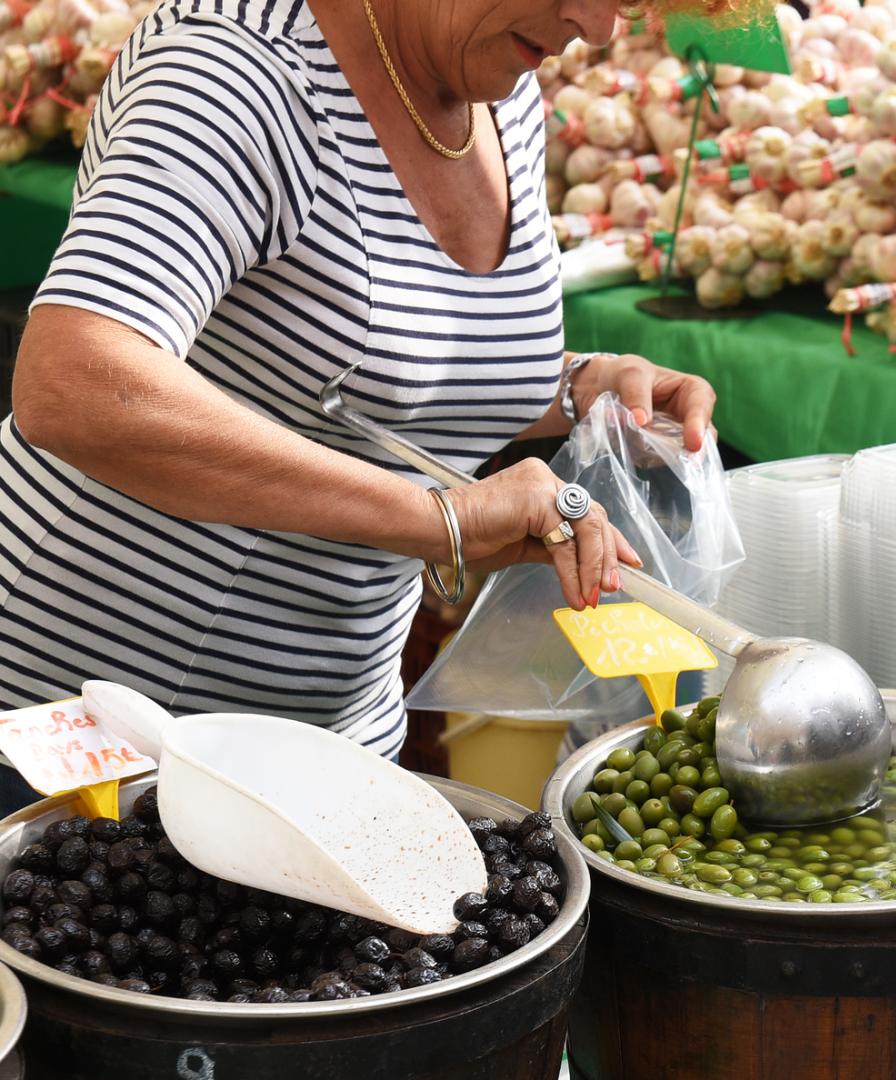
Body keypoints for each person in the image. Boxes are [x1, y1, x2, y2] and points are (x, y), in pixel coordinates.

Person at [0, 0, 725, 811]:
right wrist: (439, 520)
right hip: (95, 733)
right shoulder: (239, 74)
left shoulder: (497, 87)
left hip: (323, 740)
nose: (595, 27)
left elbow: (357, 371)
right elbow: (75, 382)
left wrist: (579, 387)